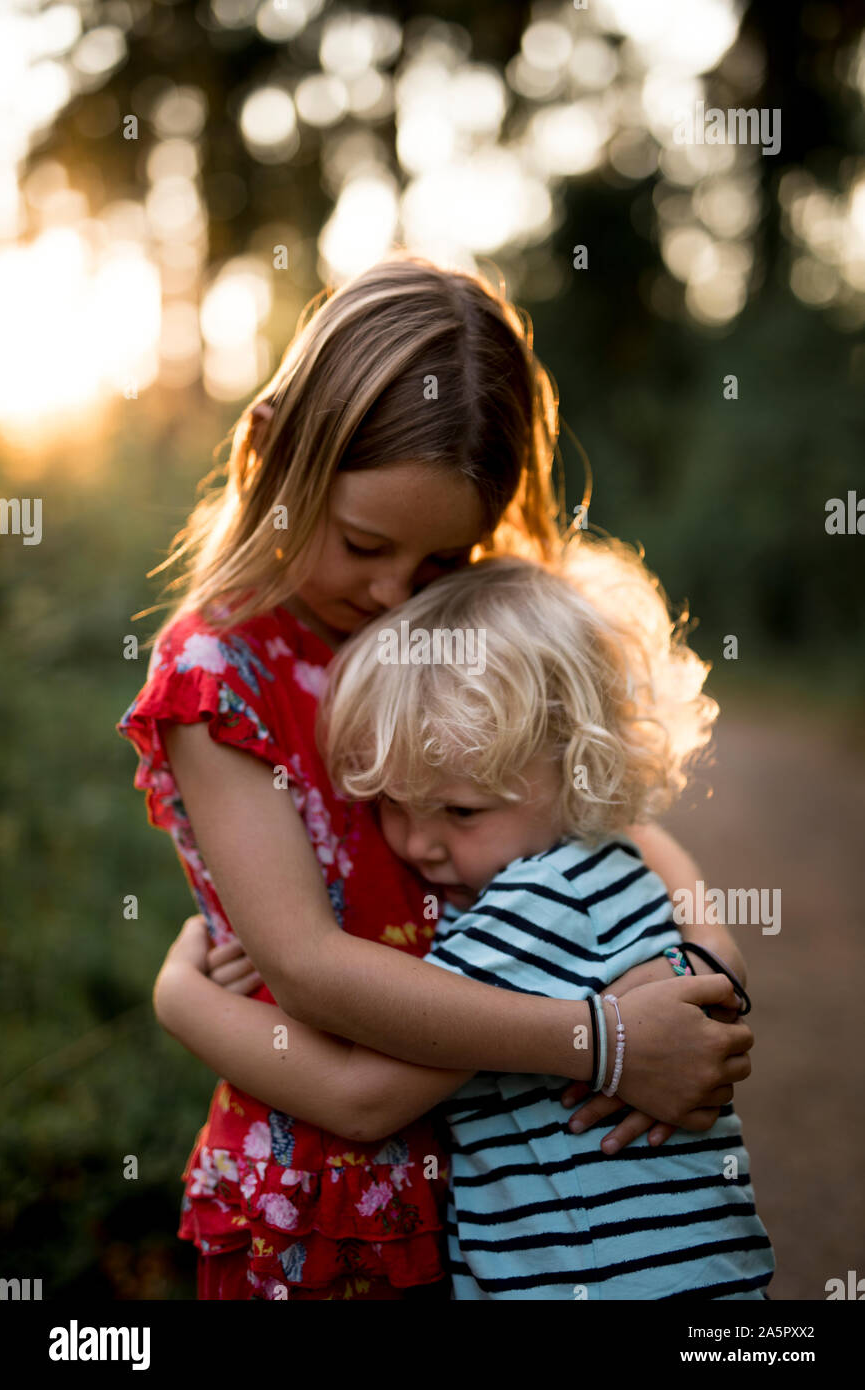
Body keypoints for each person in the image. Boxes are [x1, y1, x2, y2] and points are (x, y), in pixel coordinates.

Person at [120, 253, 753, 1300]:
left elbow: (620, 833)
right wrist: (600, 1037)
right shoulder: (218, 676)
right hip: (328, 1201)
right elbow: (314, 974)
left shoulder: (455, 634)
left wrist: (702, 968)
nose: (390, 595)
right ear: (272, 453)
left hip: (487, 1183)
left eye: (435, 565)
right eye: (364, 542)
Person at [155, 544, 771, 1300]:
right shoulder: (598, 865)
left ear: (579, 765)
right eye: (392, 803)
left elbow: (360, 1094)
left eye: (462, 811)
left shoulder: (535, 909)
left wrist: (180, 999)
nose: (419, 844)